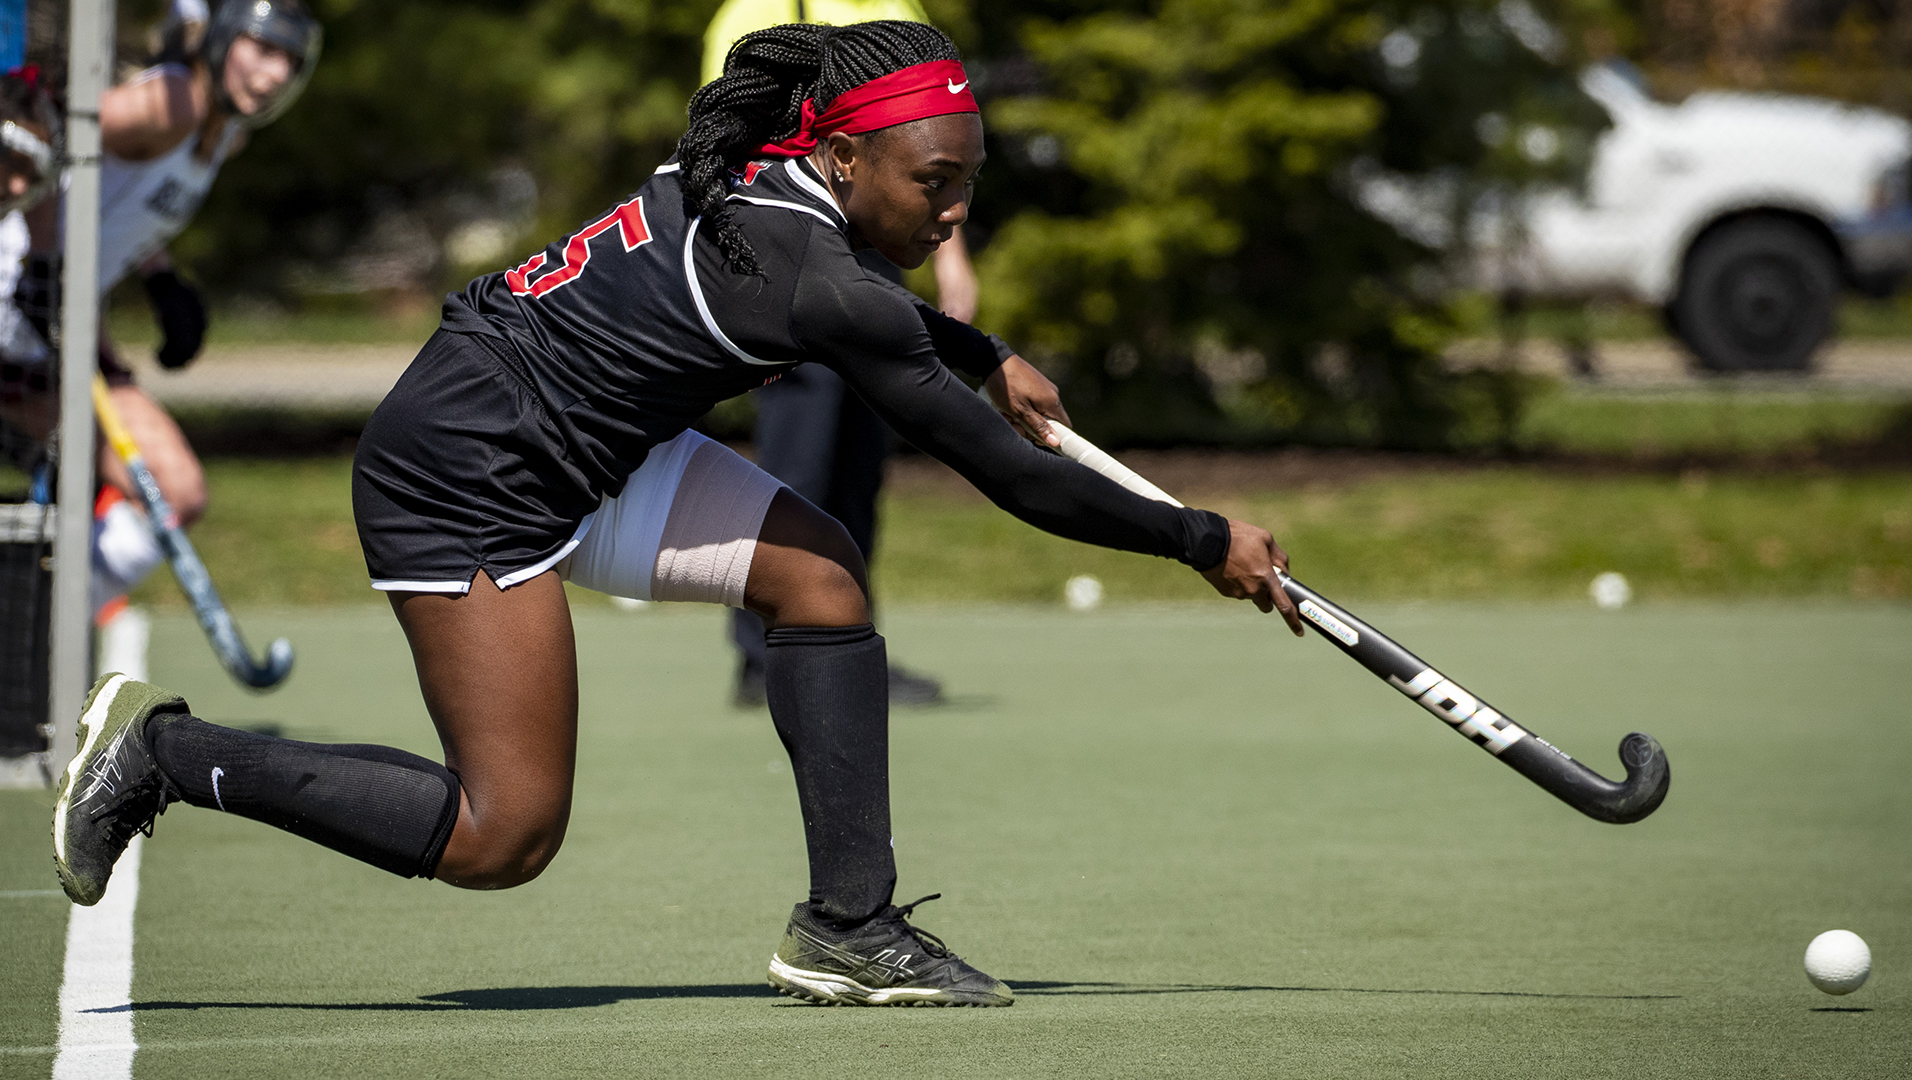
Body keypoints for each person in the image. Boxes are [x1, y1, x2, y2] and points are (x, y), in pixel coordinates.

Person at [51, 21, 1303, 1009]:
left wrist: (976, 346)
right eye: (936, 183)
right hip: (466, 465)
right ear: (844, 158)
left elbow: (860, 284)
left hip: (585, 437)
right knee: (505, 834)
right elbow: (1013, 478)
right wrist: (1201, 539)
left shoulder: (773, 161)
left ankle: (849, 928)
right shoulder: (821, 274)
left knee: (820, 580)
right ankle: (163, 755)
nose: (956, 210)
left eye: (970, 183)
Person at [703, 0, 975, 708]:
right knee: (799, 467)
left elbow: (931, 151)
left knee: (858, 467)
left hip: (874, 256)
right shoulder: (754, 12)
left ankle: (848, 645)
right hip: (791, 267)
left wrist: (953, 262)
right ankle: (762, 657)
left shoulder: (889, 6)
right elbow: (723, 145)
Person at [29, 0, 322, 613]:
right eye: (263, 50)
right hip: (18, 312)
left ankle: (32, 630)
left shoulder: (224, 134)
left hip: (60, 331)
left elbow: (113, 204)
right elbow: (36, 143)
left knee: (178, 490)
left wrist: (160, 275)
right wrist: (38, 266)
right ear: (219, 39)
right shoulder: (173, 104)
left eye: (290, 63)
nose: (274, 76)